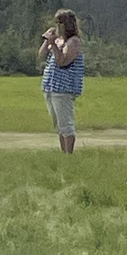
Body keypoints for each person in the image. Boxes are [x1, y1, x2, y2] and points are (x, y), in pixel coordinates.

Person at [38, 9, 85, 154]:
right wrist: (48, 42)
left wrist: (54, 46)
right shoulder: (57, 41)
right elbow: (41, 56)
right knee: (58, 124)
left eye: (60, 22)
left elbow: (62, 62)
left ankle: (68, 154)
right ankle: (63, 152)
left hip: (64, 88)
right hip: (51, 86)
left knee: (66, 124)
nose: (57, 26)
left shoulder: (73, 42)